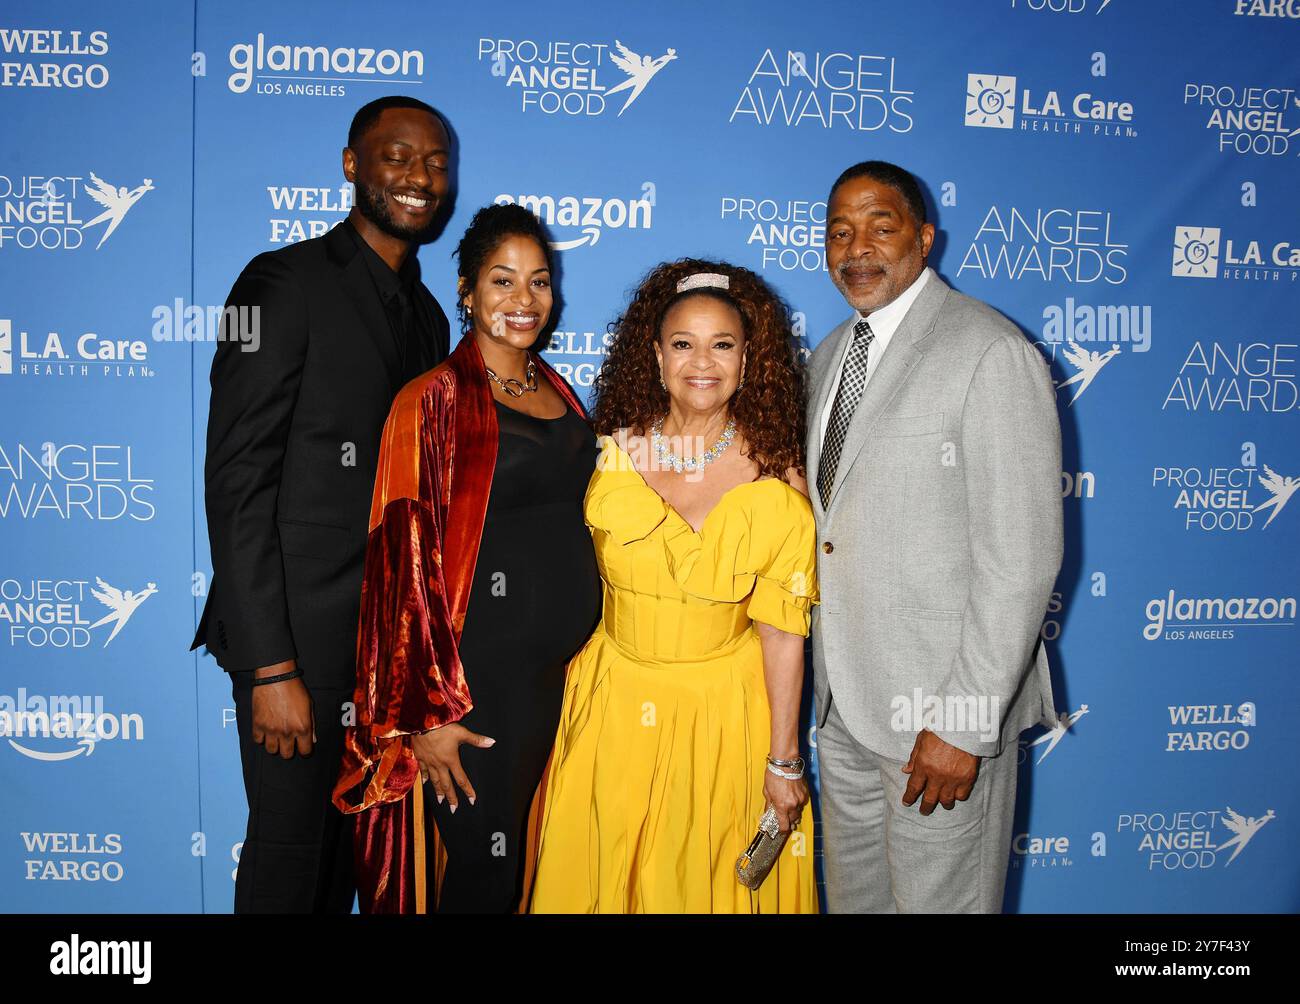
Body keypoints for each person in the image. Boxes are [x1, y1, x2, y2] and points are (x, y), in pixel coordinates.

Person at [191, 95, 453, 913]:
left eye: (437, 163)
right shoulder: (278, 282)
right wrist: (271, 669)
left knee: (349, 862)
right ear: (351, 165)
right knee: (288, 862)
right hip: (294, 646)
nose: (420, 176)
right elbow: (237, 481)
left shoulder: (430, 316)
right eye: (398, 156)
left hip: (381, 655)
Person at [806, 160, 1063, 914]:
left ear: (923, 239)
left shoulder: (989, 350)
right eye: (840, 232)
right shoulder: (825, 358)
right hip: (843, 710)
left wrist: (963, 721)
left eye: (880, 227)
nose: (858, 248)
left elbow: (1021, 559)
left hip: (938, 720)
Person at [333, 203, 600, 913]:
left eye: (539, 282)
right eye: (503, 281)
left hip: (558, 683)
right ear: (466, 289)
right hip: (474, 691)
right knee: (480, 873)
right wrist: (425, 713)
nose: (524, 301)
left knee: (520, 872)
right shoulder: (431, 401)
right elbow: (401, 565)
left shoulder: (562, 394)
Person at [529, 259, 819, 913]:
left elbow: (781, 633)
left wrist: (782, 761)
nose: (702, 363)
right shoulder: (604, 456)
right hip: (611, 706)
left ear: (749, 359)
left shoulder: (778, 473)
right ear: (656, 356)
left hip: (728, 718)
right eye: (683, 344)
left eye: (723, 345)